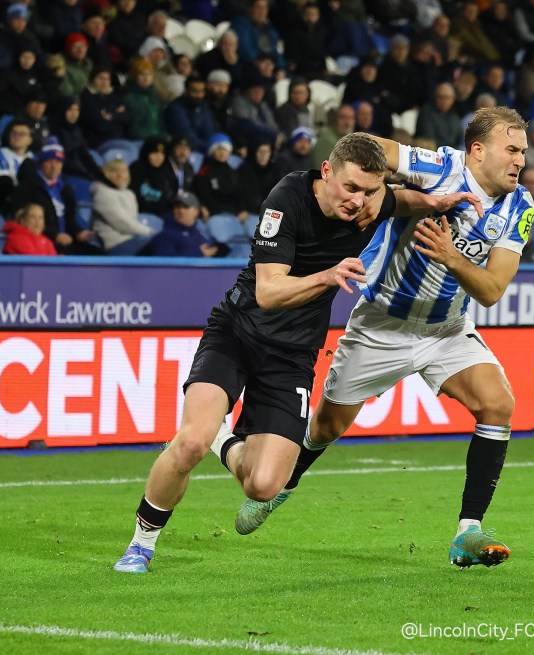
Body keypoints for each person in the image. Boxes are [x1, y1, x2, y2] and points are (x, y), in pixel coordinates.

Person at [114, 132, 481, 573]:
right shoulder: (287, 199)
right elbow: (269, 291)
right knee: (188, 443)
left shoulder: (372, 201)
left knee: (265, 486)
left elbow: (400, 202)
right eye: (351, 188)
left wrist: (439, 202)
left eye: (369, 192)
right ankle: (141, 544)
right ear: (327, 171)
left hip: (292, 355)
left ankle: (222, 438)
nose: (359, 202)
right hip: (238, 332)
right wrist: (329, 276)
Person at [223, 107, 534, 570]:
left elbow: (490, 290)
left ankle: (468, 532)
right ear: (478, 150)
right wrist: (375, 195)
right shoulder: (439, 169)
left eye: (523, 152)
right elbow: (362, 144)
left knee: (498, 405)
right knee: (326, 428)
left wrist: (451, 257)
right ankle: (282, 487)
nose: (520, 161)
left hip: (446, 329)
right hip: (381, 326)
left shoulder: (520, 207)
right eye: (511, 149)